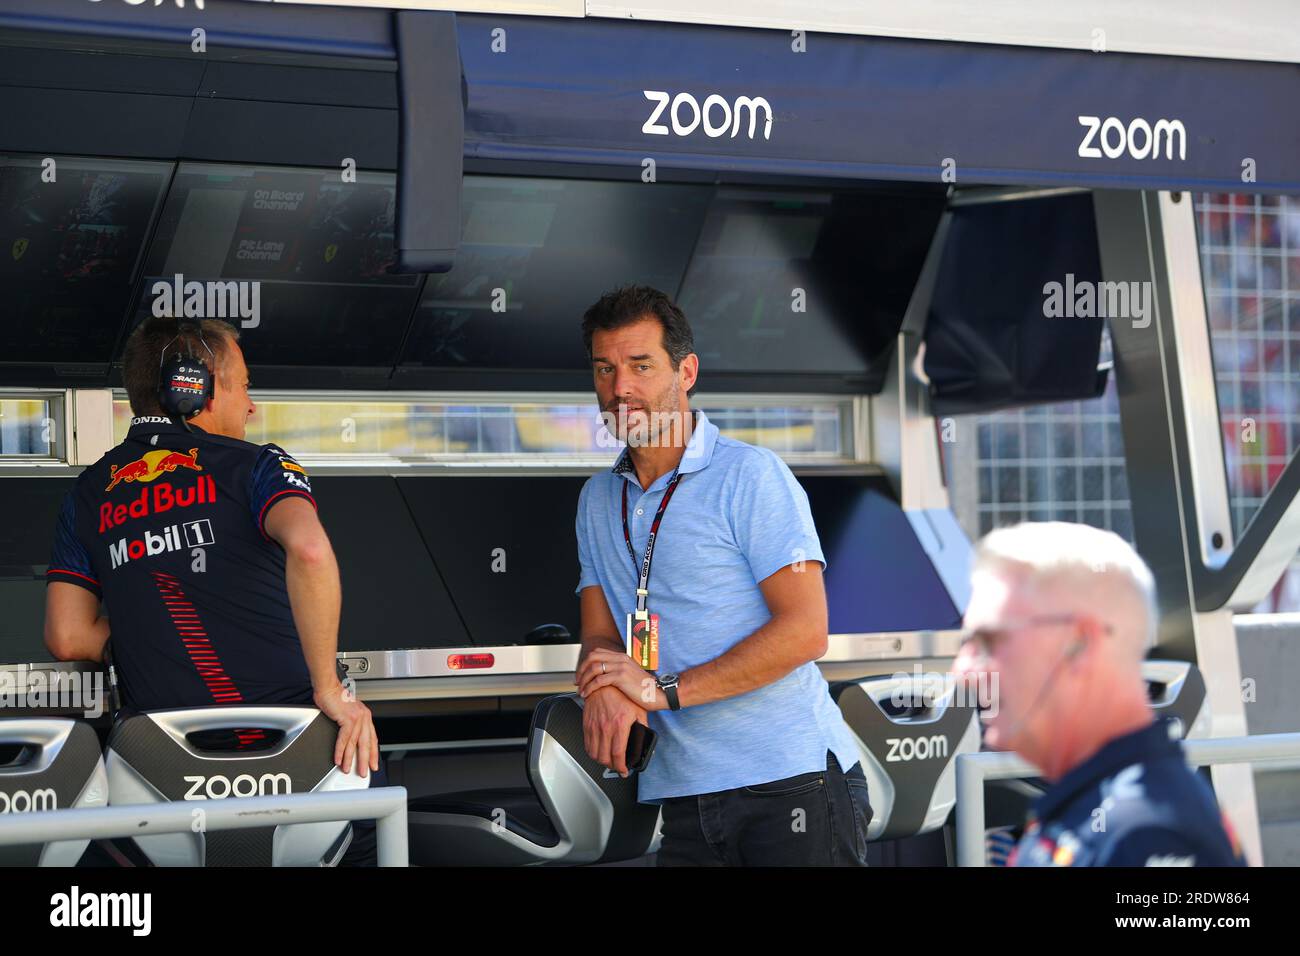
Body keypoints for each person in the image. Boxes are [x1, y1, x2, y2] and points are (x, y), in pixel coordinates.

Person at [44, 316, 381, 862]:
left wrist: (140, 612)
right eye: (245, 385)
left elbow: (66, 635)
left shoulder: (87, 493)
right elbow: (311, 550)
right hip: (306, 764)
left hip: (166, 787)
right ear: (193, 385)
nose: (251, 406)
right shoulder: (258, 466)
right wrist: (329, 690)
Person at [572, 285, 871, 866]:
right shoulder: (596, 499)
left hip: (791, 782)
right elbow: (600, 634)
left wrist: (661, 691)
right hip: (682, 792)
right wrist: (608, 683)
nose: (620, 388)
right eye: (605, 368)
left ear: (686, 371)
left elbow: (806, 631)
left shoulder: (751, 476)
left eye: (640, 365)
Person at [952, 521, 1245, 867]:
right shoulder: (1105, 814)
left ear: (1079, 645)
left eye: (989, 641)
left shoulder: (1146, 835)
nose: (963, 672)